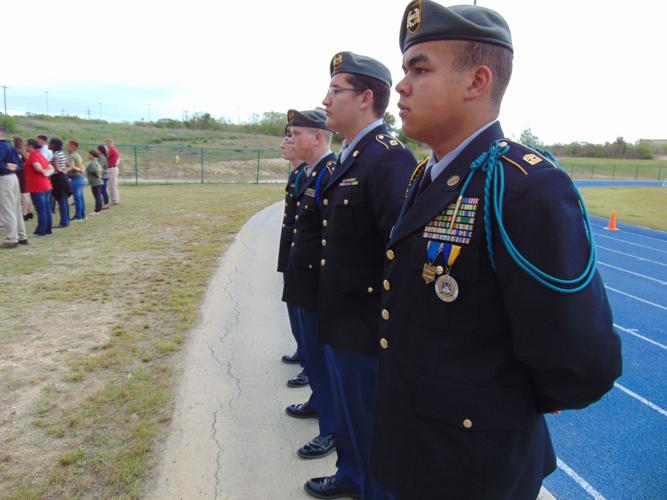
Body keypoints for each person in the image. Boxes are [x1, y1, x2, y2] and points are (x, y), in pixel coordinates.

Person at [369, 2, 623, 499]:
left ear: (477, 81)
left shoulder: (525, 186)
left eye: (420, 69)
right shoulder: (426, 176)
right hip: (413, 446)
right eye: (405, 70)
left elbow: (583, 361)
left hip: (475, 466)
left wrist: (504, 403)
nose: (401, 86)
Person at [306, 52, 416, 500]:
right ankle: (351, 474)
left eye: (335, 90)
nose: (326, 100)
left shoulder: (388, 158)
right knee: (351, 418)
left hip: (368, 327)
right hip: (341, 319)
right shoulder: (351, 157)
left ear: (366, 98)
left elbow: (402, 252)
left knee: (371, 426)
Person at [281, 109, 341, 466]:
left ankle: (331, 429)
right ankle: (319, 402)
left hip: (317, 284)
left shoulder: (329, 173)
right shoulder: (311, 172)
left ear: (318, 137)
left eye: (296, 133)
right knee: (313, 358)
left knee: (321, 359)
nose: (289, 139)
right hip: (303, 279)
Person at [277, 126, 310, 388]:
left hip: (304, 255)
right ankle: (302, 349)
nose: (284, 143)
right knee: (294, 307)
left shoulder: (310, 174)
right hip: (293, 250)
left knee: (304, 312)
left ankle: (309, 364)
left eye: (291, 136)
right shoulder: (298, 174)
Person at [0, 125, 28, 248]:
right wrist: (11, 166)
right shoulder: (9, 145)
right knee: (15, 208)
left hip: (4, 179)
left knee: (7, 209)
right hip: (12, 178)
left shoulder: (1, 146)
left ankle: (11, 239)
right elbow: (19, 163)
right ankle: (22, 236)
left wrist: (6, 166)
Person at [24, 139, 53, 236]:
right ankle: (48, 229)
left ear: (31, 146)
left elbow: (38, 168)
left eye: (26, 145)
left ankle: (41, 231)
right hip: (46, 185)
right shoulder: (40, 155)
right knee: (46, 209)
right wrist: (47, 172)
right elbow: (51, 167)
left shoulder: (33, 157)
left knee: (41, 210)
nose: (25, 147)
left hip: (37, 187)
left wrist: (43, 171)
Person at [49, 138, 71, 228]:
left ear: (54, 145)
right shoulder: (62, 154)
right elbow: (70, 165)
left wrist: (60, 170)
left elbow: (57, 168)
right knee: (64, 200)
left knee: (61, 200)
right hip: (64, 178)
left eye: (50, 143)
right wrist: (65, 170)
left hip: (57, 179)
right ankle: (67, 220)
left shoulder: (55, 155)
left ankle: (64, 222)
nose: (49, 145)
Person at [12, 136, 33, 221]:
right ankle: (29, 211)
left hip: (20, 174)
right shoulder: (24, 151)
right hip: (25, 173)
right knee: (27, 193)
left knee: (23, 194)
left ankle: (24, 213)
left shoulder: (17, 152)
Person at [66, 140, 86, 221]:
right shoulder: (78, 155)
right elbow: (83, 166)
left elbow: (72, 167)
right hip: (80, 178)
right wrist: (81, 170)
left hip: (76, 178)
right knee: (81, 198)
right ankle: (83, 215)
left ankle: (78, 216)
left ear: (73, 147)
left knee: (77, 198)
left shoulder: (71, 156)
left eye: (68, 146)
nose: (67, 147)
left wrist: (66, 168)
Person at [105, 138, 120, 204]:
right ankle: (114, 199)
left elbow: (106, 157)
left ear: (111, 143)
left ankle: (114, 200)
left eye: (107, 143)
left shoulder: (112, 150)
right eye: (106, 144)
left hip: (112, 168)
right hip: (112, 168)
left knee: (112, 185)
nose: (106, 145)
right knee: (112, 184)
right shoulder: (112, 150)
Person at [97, 144, 110, 208]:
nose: (96, 150)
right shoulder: (100, 157)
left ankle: (106, 204)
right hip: (102, 176)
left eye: (97, 149)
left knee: (103, 190)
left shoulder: (102, 157)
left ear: (100, 150)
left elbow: (100, 167)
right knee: (102, 190)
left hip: (103, 176)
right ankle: (105, 203)